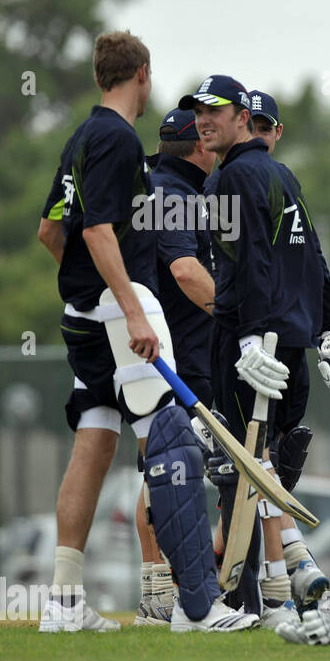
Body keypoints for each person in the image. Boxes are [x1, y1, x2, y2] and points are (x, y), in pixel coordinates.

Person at [181, 74, 330, 624]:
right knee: (267, 463)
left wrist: (246, 337)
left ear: (242, 118)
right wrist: (326, 330)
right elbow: (310, 259)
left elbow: (251, 263)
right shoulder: (279, 173)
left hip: (252, 346)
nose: (204, 121)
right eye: (198, 113)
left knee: (244, 465)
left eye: (216, 112)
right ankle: (282, 586)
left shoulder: (229, 180)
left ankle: (262, 593)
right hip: (286, 342)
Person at [35, 30, 159, 633]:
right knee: (165, 437)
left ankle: (62, 602)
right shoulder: (116, 138)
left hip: (85, 315)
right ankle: (181, 601)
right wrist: (130, 309)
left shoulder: (81, 135)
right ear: (143, 73)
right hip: (116, 315)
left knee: (96, 436)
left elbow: (49, 232)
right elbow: (95, 232)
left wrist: (83, 289)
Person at [131, 107, 220, 626]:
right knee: (166, 467)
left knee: (161, 465)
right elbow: (187, 271)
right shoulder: (174, 197)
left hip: (166, 354)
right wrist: (236, 321)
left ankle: (162, 589)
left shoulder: (163, 187)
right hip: (175, 359)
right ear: (200, 148)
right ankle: (161, 591)